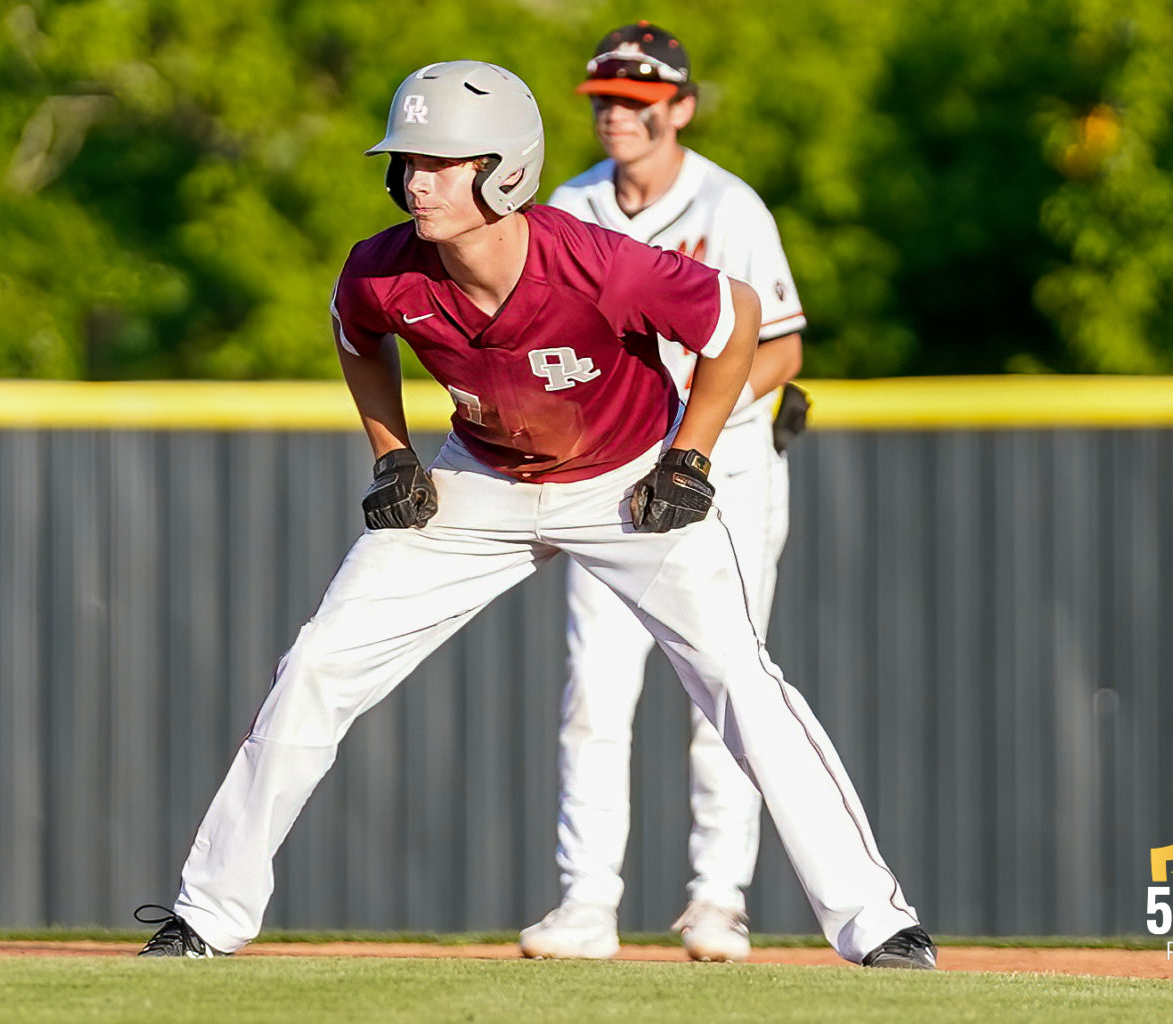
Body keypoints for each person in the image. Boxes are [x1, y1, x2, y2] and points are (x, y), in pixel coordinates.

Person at [135, 59, 935, 971]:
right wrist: (391, 449)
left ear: (506, 171)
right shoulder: (381, 269)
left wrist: (691, 454)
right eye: (406, 162)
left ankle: (877, 922)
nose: (414, 181)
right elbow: (357, 338)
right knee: (318, 662)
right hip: (478, 479)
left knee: (740, 683)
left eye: (441, 161)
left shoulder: (596, 263)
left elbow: (739, 316)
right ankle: (206, 914)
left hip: (626, 481)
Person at [520, 22, 808, 964]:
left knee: (724, 687)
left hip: (722, 469)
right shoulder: (572, 202)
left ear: (680, 107)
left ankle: (719, 899)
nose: (618, 116)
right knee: (596, 691)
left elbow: (781, 348)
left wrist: (691, 437)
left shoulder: (730, 205)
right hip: (606, 472)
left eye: (639, 102)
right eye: (606, 100)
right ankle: (586, 904)